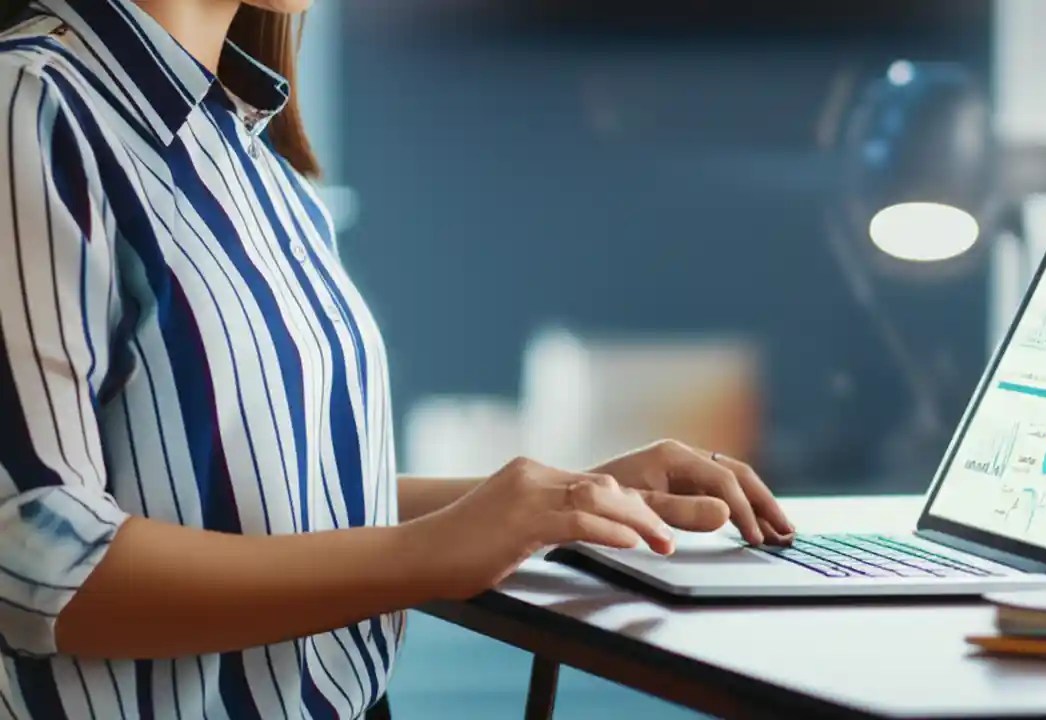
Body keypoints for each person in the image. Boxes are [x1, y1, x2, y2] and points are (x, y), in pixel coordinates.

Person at [0, 0, 794, 717]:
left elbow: (280, 499)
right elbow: (38, 564)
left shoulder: (252, 160)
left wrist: (568, 501)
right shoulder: (29, 106)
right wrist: (428, 556)